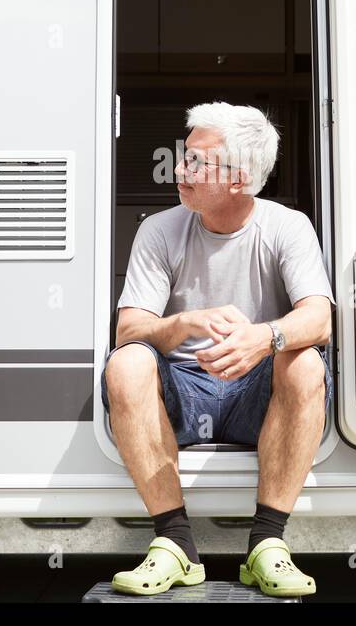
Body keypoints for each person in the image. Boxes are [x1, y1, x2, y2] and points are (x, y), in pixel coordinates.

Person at [100, 101, 335, 597]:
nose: (179, 169)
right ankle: (175, 545)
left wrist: (263, 338)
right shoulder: (159, 229)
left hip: (256, 395)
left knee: (303, 360)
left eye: (195, 161)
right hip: (184, 395)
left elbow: (320, 319)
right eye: (184, 156)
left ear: (239, 179)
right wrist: (182, 324)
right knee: (126, 363)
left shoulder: (286, 227)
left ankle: (267, 546)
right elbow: (129, 329)